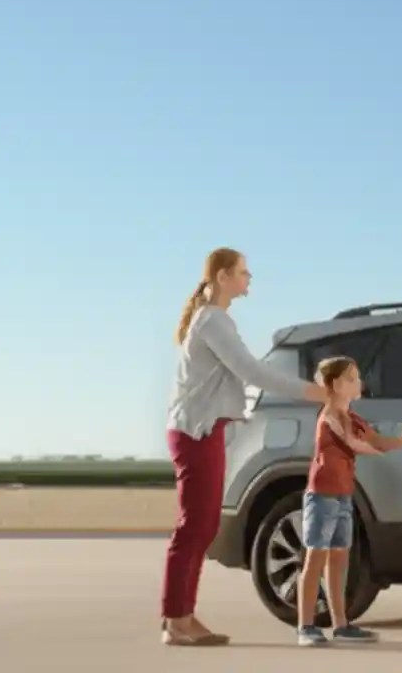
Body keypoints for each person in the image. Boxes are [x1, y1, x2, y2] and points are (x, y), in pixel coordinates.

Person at [162, 247, 328, 646]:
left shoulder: (215, 319)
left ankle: (181, 616)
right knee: (194, 527)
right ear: (222, 276)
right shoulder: (213, 321)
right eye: (242, 272)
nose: (248, 278)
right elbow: (251, 371)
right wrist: (313, 392)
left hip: (205, 431)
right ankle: (175, 619)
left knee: (203, 526)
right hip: (196, 432)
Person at [296, 356, 402, 647]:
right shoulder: (329, 415)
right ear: (337, 384)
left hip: (342, 495)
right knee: (315, 557)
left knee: (340, 559)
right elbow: (352, 443)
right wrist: (375, 451)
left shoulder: (353, 418)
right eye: (352, 378)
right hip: (322, 495)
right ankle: (305, 625)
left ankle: (341, 624)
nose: (359, 382)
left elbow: (379, 440)